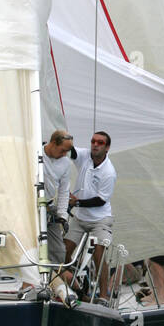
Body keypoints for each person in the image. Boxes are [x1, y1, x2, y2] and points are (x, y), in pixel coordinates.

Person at [64, 131, 116, 301]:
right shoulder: (86, 155)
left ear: (107, 147)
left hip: (100, 219)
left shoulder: (109, 172)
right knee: (64, 252)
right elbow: (71, 152)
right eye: (93, 141)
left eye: (100, 142)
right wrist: (64, 141)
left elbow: (101, 200)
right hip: (80, 218)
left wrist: (76, 202)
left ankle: (103, 296)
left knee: (99, 255)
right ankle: (77, 289)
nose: (95, 144)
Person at [42, 129, 74, 267]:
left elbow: (64, 191)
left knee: (59, 251)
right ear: (53, 143)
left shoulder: (66, 163)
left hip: (49, 207)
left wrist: (62, 216)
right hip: (29, 206)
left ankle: (52, 282)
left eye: (67, 152)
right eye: (62, 150)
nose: (64, 154)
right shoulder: (35, 153)